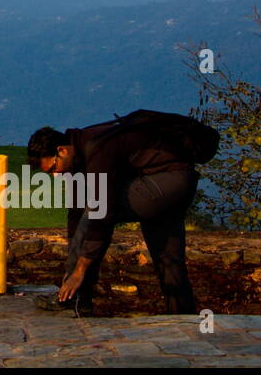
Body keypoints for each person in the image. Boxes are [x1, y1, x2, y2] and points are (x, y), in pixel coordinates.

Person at [26, 114, 201, 315]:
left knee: (96, 211)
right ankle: (183, 317)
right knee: (168, 258)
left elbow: (102, 213)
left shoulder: (97, 148)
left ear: (62, 150)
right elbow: (75, 210)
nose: (55, 175)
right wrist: (73, 247)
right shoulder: (80, 156)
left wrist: (79, 270)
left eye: (53, 167)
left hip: (165, 182)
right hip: (177, 186)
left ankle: (75, 299)